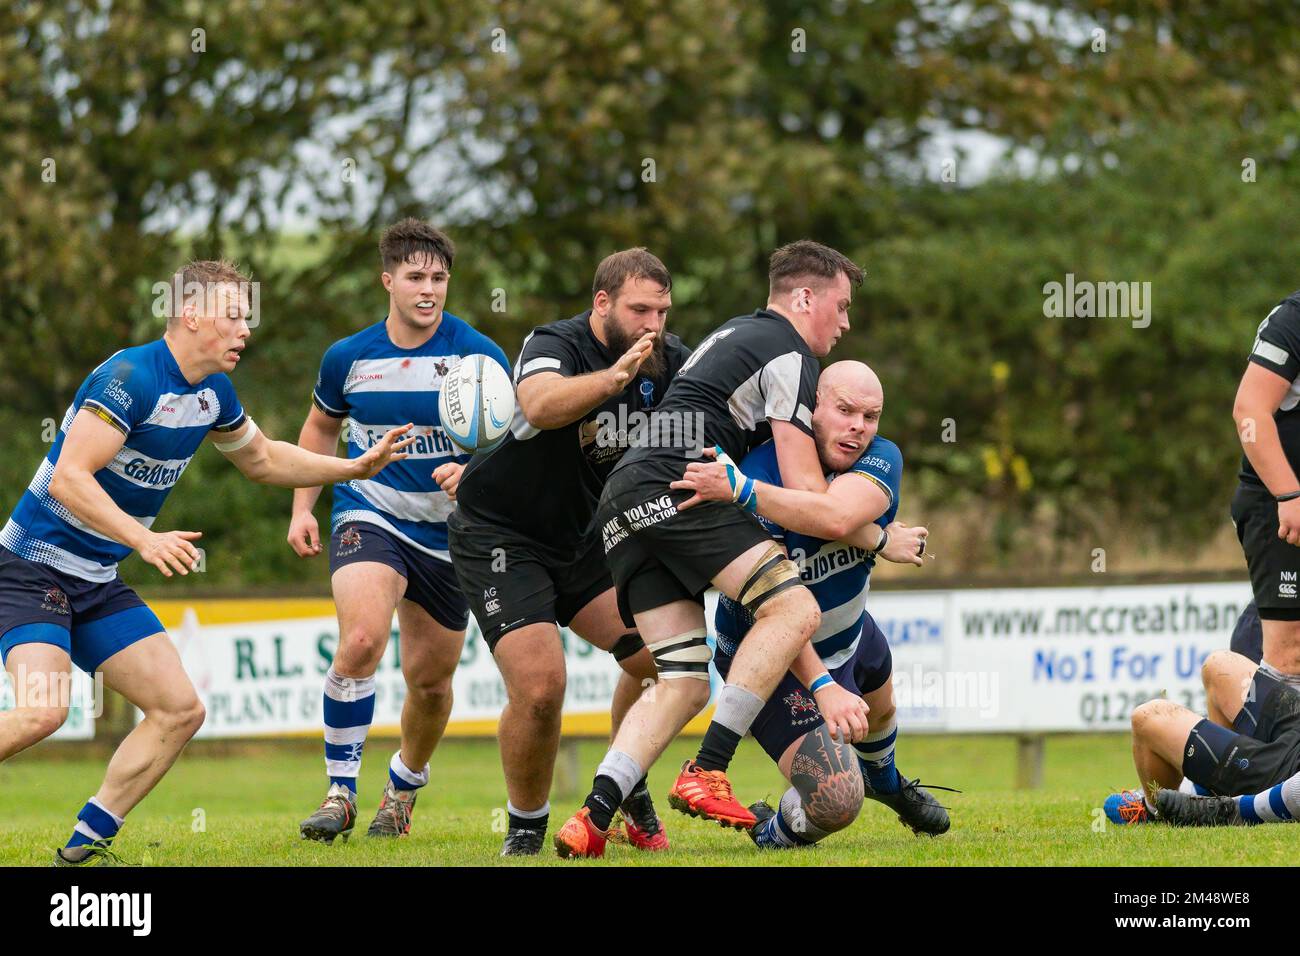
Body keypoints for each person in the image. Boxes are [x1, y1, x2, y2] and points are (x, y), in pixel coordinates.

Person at [0, 260, 411, 865]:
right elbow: (68, 478)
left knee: (179, 709)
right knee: (43, 710)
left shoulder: (212, 392)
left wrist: (349, 468)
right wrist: (144, 541)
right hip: (33, 568)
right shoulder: (130, 378)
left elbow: (265, 460)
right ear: (190, 315)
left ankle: (85, 845)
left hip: (95, 579)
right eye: (235, 316)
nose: (246, 329)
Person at [556, 240, 890, 858]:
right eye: (841, 307)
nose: (845, 324)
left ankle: (593, 816)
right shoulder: (790, 353)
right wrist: (877, 532)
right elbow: (809, 493)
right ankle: (707, 769)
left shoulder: (738, 332)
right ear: (805, 297)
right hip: (677, 487)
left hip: (621, 503)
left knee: (682, 681)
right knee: (793, 610)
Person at [448, 248, 689, 855]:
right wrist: (616, 379)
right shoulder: (557, 342)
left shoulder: (669, 361)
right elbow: (539, 405)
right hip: (501, 536)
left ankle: (624, 781)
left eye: (662, 311)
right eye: (640, 309)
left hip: (583, 539)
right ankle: (526, 827)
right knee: (539, 689)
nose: (652, 325)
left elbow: (722, 411)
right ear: (602, 303)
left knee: (663, 664)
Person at [290, 220, 509, 843]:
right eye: (415, 277)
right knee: (360, 639)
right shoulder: (348, 358)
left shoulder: (480, 358)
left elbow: (509, 446)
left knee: (431, 682)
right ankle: (339, 792)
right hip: (370, 512)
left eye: (439, 278)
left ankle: (402, 790)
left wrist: (471, 473)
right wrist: (304, 507)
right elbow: (320, 429)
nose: (429, 289)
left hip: (448, 538)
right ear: (388, 280)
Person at [673, 361, 948, 848]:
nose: (858, 427)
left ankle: (886, 781)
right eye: (844, 411)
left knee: (881, 717)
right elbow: (775, 610)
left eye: (871, 415)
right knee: (838, 798)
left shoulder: (881, 456)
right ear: (811, 409)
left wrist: (877, 537)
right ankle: (769, 829)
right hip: (776, 661)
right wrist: (823, 685)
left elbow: (836, 517)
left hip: (851, 632)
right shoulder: (755, 470)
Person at [1102, 649, 1300, 826]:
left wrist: (1235, 810)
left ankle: (1155, 810)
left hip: (1289, 772)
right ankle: (1206, 788)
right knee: (1220, 665)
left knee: (1146, 717)